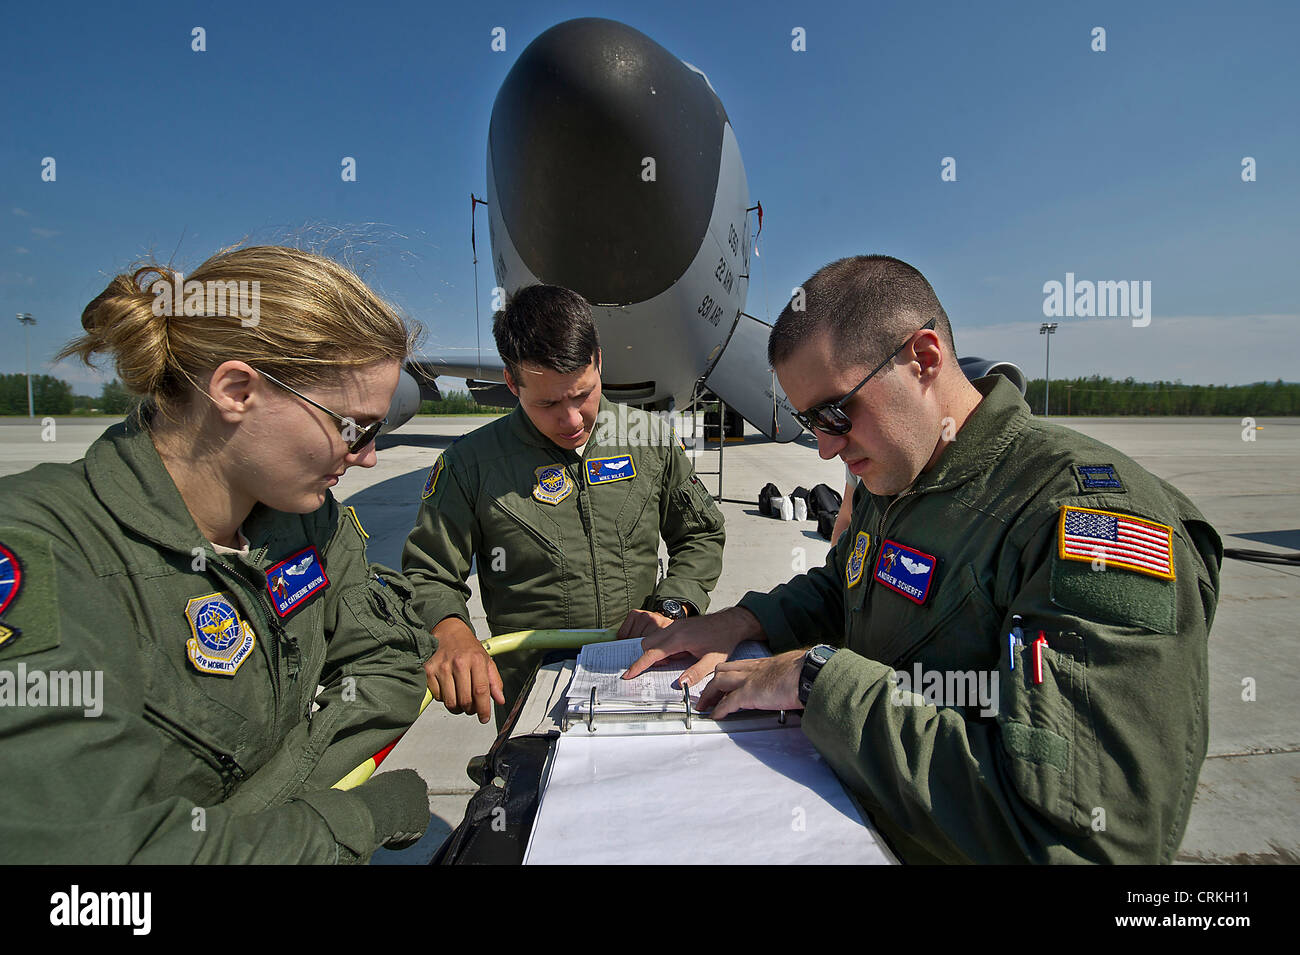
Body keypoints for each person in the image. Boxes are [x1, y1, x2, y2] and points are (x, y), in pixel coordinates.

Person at [628, 255, 1221, 864]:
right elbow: (845, 586)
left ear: (924, 359)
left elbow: (1081, 842)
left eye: (836, 413)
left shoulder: (1090, 520)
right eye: (810, 422)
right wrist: (743, 622)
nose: (827, 448)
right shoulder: (901, 476)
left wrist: (816, 678)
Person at [0, 246, 436, 863]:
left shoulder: (306, 521)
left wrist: (269, 826)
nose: (367, 456)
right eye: (353, 428)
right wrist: (346, 824)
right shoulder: (40, 549)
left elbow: (385, 663)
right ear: (236, 390)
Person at [403, 284, 725, 724]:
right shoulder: (469, 466)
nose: (571, 420)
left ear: (597, 359)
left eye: (582, 395)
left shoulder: (649, 440)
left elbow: (700, 534)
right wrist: (449, 629)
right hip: (531, 700)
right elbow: (428, 572)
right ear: (511, 382)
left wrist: (674, 606)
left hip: (639, 676)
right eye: (549, 403)